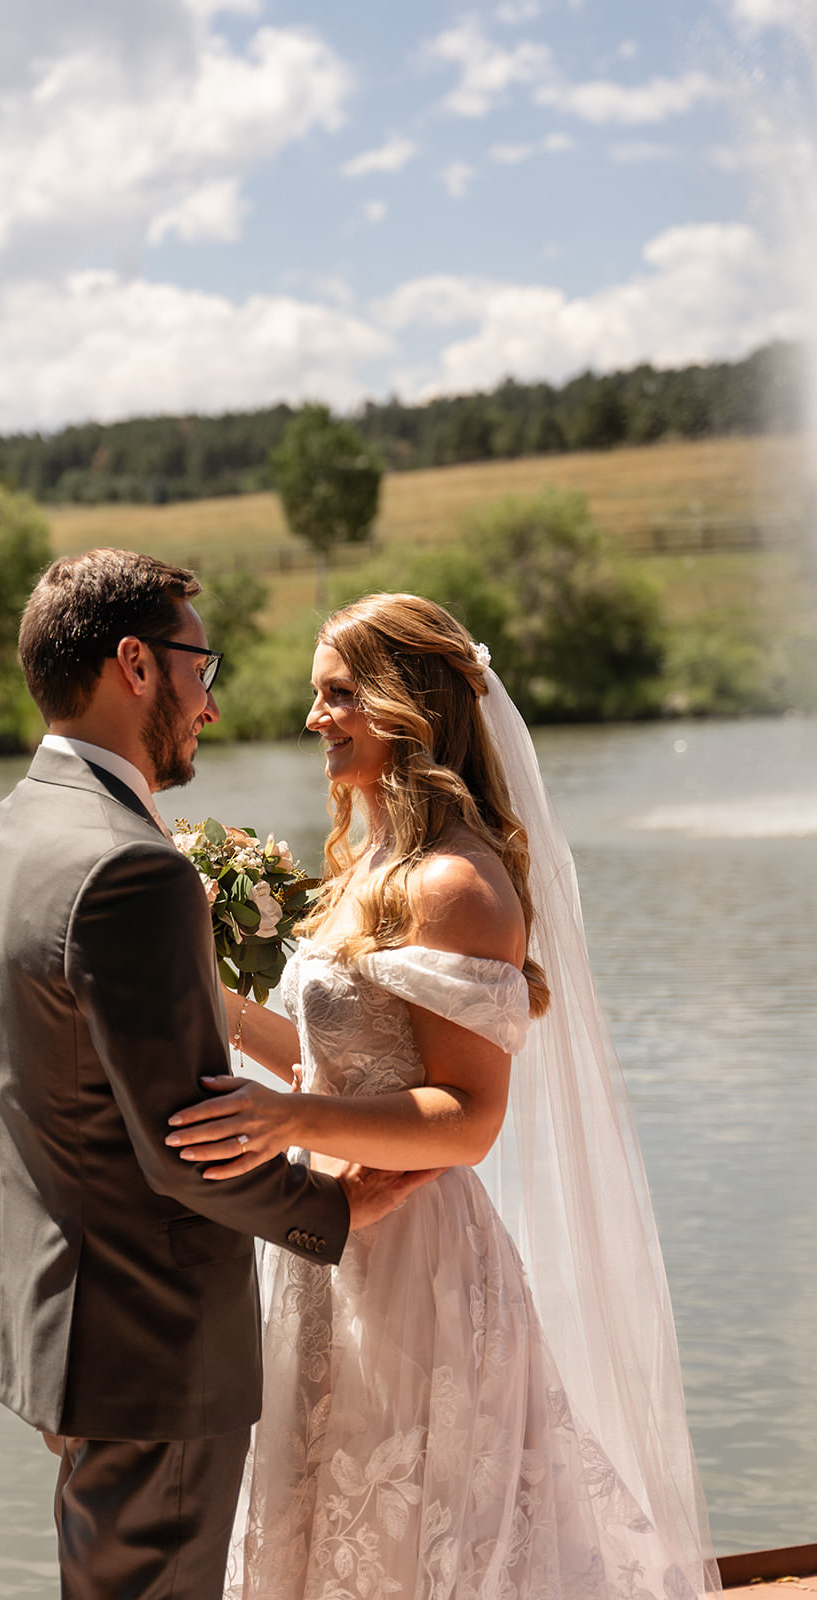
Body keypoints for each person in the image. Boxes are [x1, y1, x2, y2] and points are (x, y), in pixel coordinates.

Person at [166, 593, 720, 1600]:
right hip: (327, 1236)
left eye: (337, 694)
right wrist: (206, 998)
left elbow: (467, 1118)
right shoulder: (368, 866)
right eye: (318, 695)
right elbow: (332, 1061)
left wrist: (287, 1121)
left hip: (415, 1259)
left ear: (405, 703)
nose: (314, 718)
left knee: (418, 1539)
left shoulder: (456, 883)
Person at [0, 552, 434, 1600]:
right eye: (197, 668)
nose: (209, 705)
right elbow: (187, 1145)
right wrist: (337, 1207)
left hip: (66, 1321)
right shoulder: (132, 865)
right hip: (153, 1340)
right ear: (135, 664)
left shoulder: (8, 832)